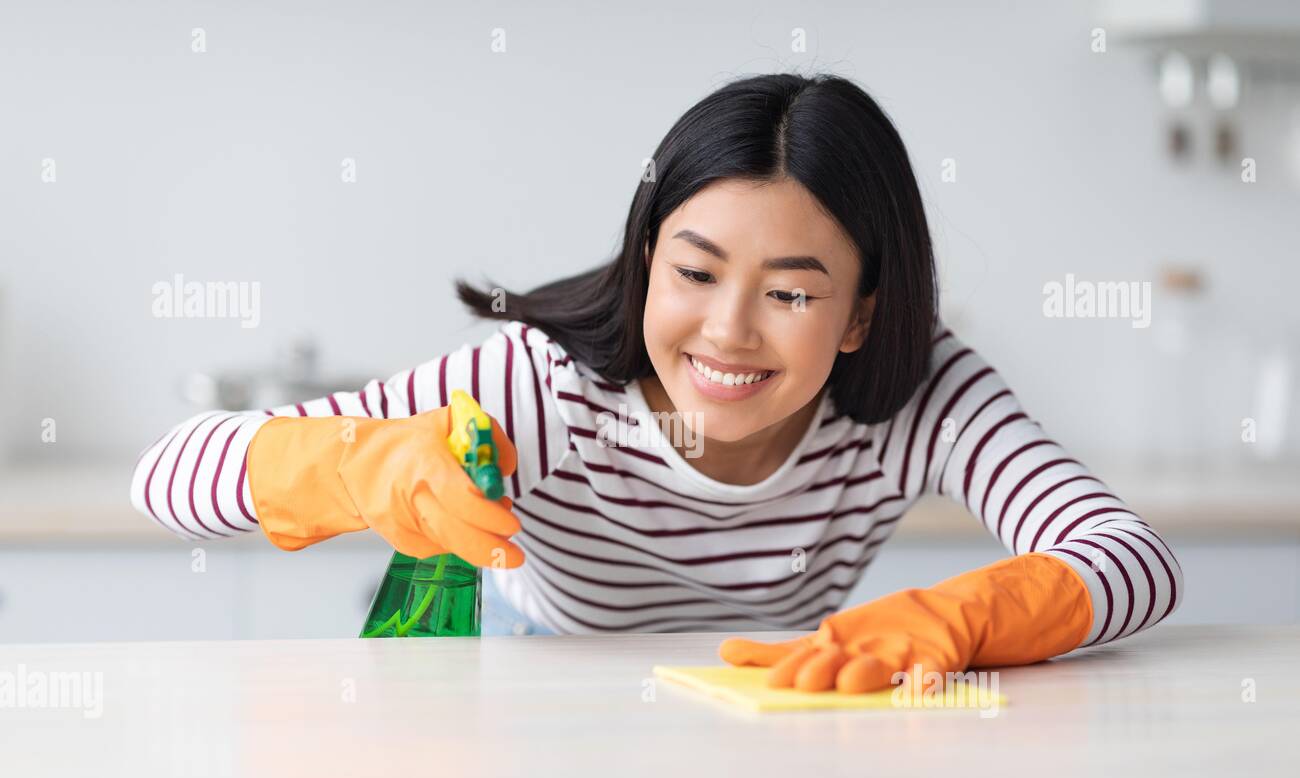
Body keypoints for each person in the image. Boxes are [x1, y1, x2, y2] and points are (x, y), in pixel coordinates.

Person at [130, 72, 1183, 692]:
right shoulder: (541, 384)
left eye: (792, 293)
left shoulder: (923, 397)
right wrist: (352, 465)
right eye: (693, 271)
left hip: (763, 713)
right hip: (535, 699)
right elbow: (167, 475)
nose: (726, 332)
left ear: (863, 310)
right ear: (645, 258)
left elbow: (1132, 558)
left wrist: (968, 617)